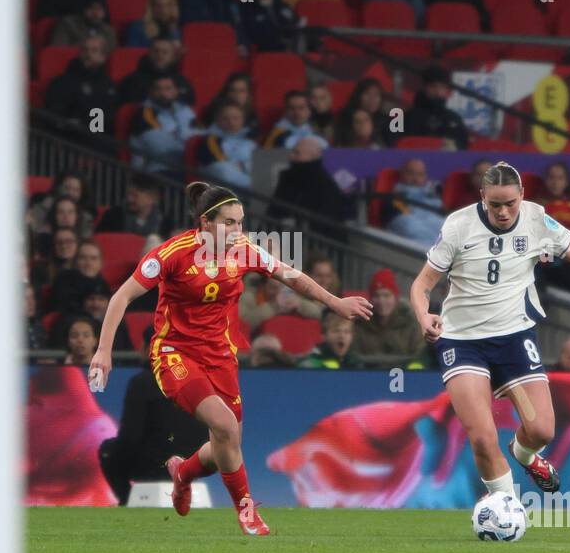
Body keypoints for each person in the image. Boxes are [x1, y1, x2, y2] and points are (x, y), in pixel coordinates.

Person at [89, 182, 372, 535]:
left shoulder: (244, 250)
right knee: (223, 426)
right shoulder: (171, 254)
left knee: (227, 443)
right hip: (175, 353)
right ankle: (246, 509)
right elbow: (121, 297)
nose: (237, 231)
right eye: (229, 223)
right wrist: (103, 351)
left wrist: (335, 302)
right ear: (206, 222)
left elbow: (292, 276)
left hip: (221, 355)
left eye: (240, 222)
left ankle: (184, 472)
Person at [409, 162, 570, 499]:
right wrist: (424, 315)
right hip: (462, 342)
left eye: (511, 203)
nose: (504, 212)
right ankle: (506, 508)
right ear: (482, 197)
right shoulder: (459, 226)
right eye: (495, 204)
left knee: (540, 429)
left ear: (522, 196)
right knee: (481, 437)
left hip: (513, 340)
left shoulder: (538, 221)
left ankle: (524, 454)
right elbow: (421, 284)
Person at [98, 339, 209, 505]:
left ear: (147, 349)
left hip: (154, 465)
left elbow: (130, 436)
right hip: (197, 463)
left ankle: (128, 501)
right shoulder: (200, 378)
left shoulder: (141, 382)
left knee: (108, 450)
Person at [351, 268, 422, 362]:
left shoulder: (410, 322)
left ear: (395, 298)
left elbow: (419, 354)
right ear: (371, 299)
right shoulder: (361, 323)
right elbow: (354, 355)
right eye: (376, 296)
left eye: (386, 295)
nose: (381, 301)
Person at [404, 65, 469, 148]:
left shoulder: (454, 119)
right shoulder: (409, 117)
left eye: (442, 87)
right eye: (433, 86)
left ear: (447, 90)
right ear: (425, 88)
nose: (438, 91)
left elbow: (464, 148)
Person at [97, 174, 167, 238]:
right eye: (128, 195)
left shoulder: (164, 222)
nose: (129, 199)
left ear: (152, 198)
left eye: (135, 196)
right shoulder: (113, 215)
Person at [299, 311, 366, 369]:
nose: (342, 336)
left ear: (352, 336)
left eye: (347, 332)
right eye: (336, 331)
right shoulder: (312, 360)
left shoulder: (356, 362)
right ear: (324, 335)